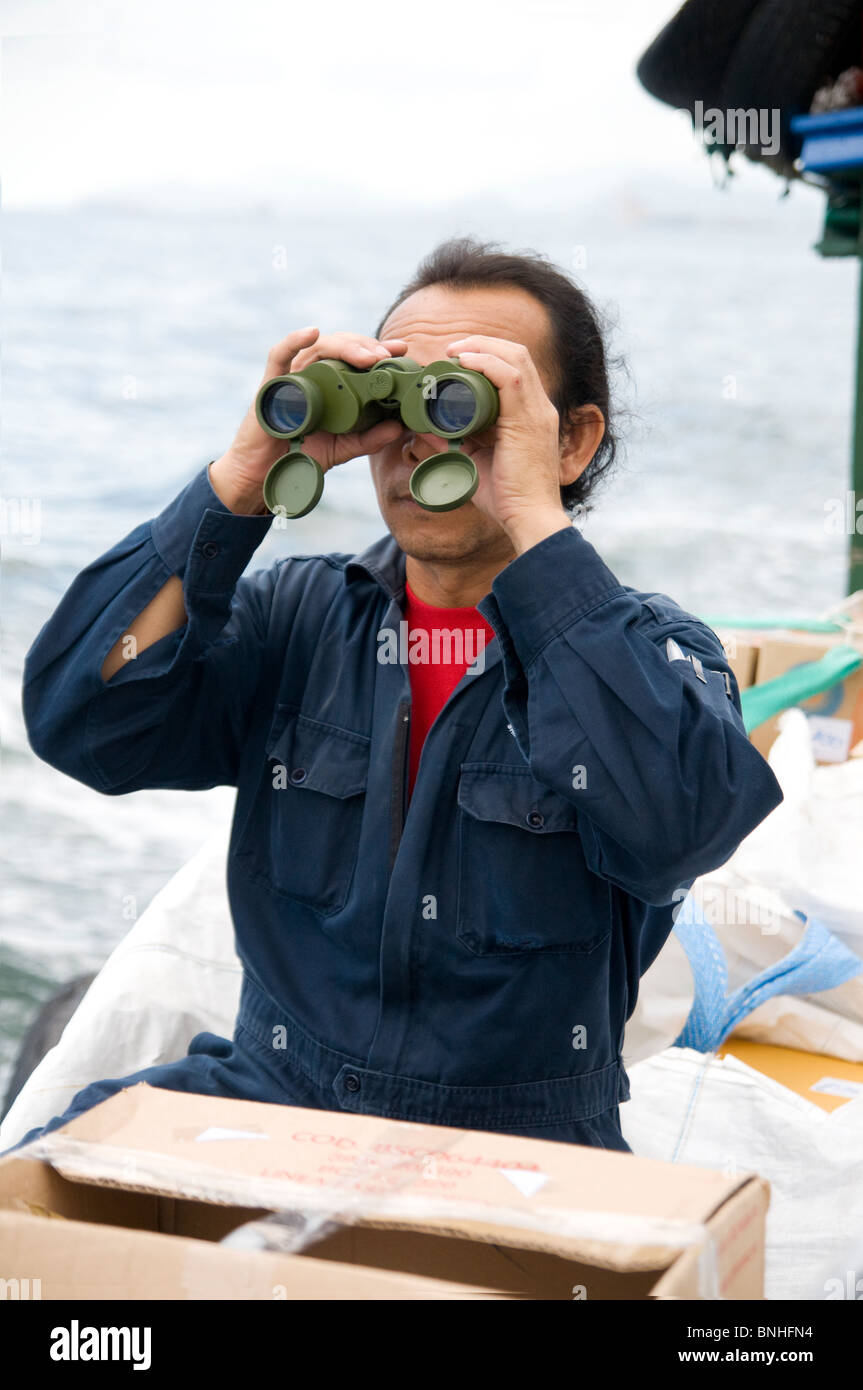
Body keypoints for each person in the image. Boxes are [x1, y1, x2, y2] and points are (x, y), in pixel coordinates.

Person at [10, 237, 783, 1155]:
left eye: (467, 400)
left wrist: (532, 517)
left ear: (570, 439)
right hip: (271, 1093)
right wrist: (241, 478)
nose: (424, 432)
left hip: (519, 1146)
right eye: (398, 395)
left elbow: (683, 821)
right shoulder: (297, 621)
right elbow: (82, 717)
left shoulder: (652, 655)